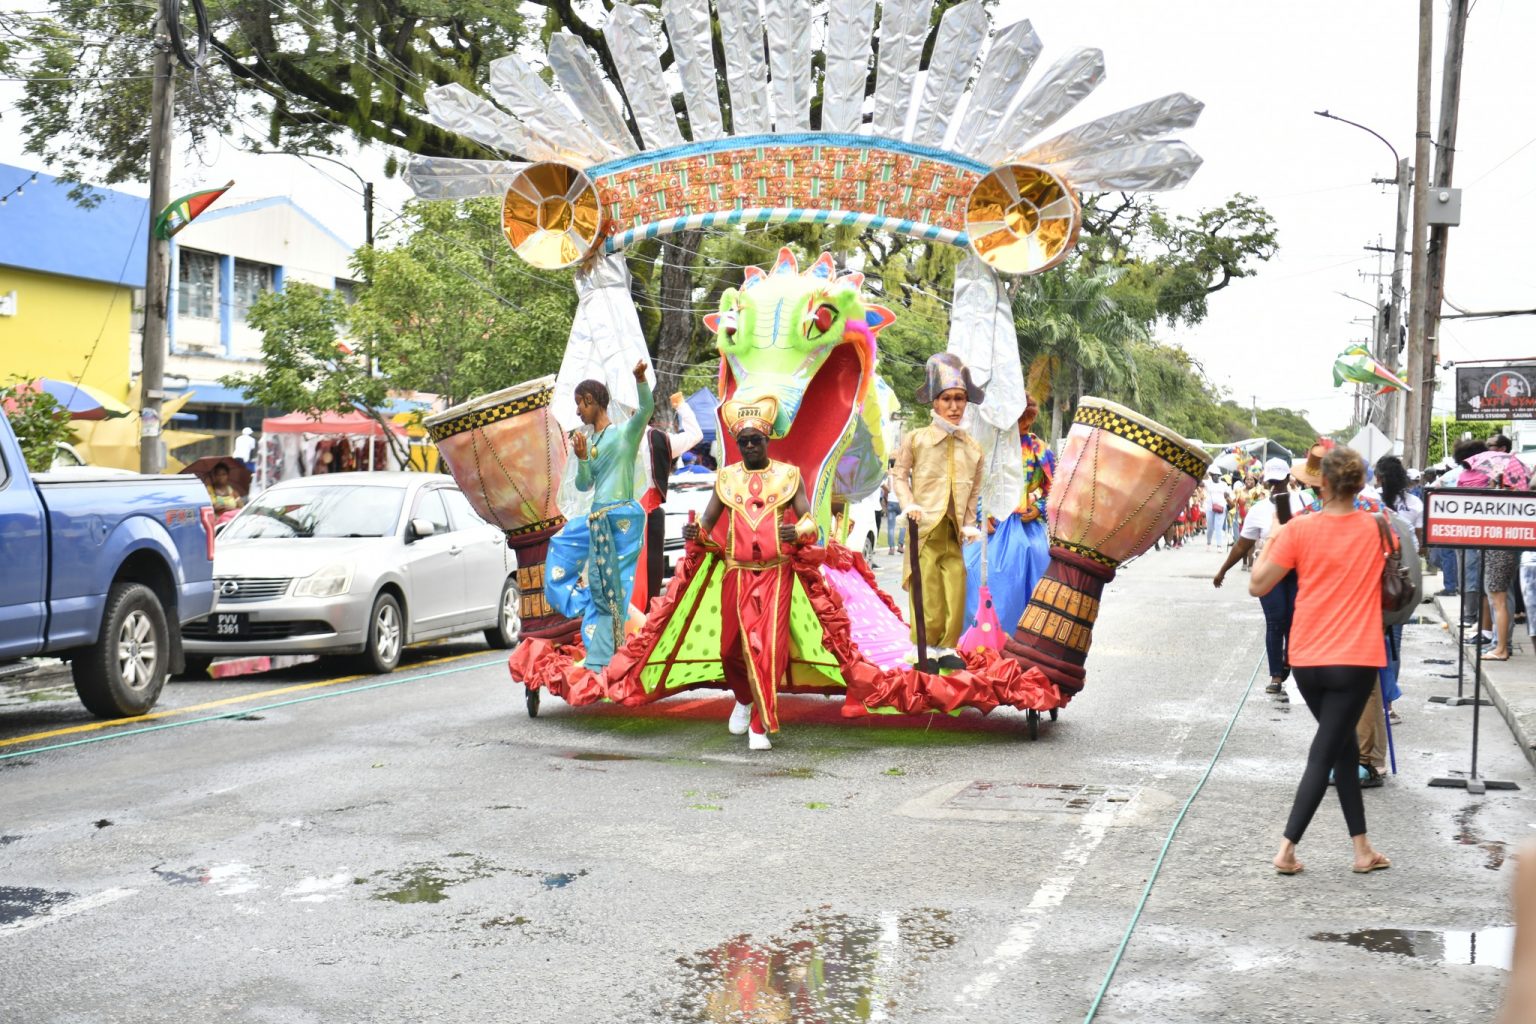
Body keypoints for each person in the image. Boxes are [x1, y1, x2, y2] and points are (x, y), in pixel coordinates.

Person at [1250, 445, 1391, 876]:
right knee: (1325, 752)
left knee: (1341, 748)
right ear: (1361, 483)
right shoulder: (1381, 529)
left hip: (1307, 658)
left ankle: (1362, 849)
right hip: (1356, 657)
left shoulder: (1298, 531)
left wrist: (1275, 534)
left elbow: (1258, 585)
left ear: (1322, 484)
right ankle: (1286, 849)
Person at [682, 398, 816, 751]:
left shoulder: (789, 476)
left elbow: (810, 520)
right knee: (730, 650)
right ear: (738, 444)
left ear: (767, 439)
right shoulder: (726, 478)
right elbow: (708, 522)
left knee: (769, 649)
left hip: (776, 573)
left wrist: (798, 532)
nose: (751, 445)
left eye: (757, 439)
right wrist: (695, 532)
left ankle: (760, 722)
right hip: (737, 573)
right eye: (745, 441)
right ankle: (743, 698)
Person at [545, 361, 652, 672]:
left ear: (590, 400)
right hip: (596, 520)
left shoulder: (624, 433)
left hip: (622, 518)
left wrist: (641, 378)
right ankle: (586, 607)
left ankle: (601, 657)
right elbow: (584, 485)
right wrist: (581, 459)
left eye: (579, 404)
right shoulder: (590, 443)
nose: (578, 412)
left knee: (611, 588)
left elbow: (646, 408)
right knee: (561, 545)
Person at [892, 353, 984, 652]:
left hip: (953, 535)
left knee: (956, 589)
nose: (954, 406)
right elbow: (900, 475)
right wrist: (908, 504)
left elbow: (973, 492)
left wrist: (970, 523)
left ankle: (946, 647)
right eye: (947, 399)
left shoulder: (973, 449)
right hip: (925, 531)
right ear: (935, 402)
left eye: (960, 399)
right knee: (927, 591)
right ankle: (925, 648)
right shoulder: (917, 440)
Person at [965, 391, 1054, 640]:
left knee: (1033, 567)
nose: (1023, 428)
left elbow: (1056, 490)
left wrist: (1039, 508)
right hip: (991, 528)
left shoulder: (1040, 450)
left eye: (1026, 422)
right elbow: (975, 487)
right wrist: (983, 514)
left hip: (1027, 530)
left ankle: (1024, 641)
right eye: (1018, 422)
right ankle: (976, 640)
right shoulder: (989, 449)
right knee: (970, 571)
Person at [1214, 457, 1304, 699]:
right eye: (1271, 482)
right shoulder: (1258, 509)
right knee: (1276, 621)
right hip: (1270, 571)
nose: (1275, 487)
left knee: (1295, 620)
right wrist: (1223, 569)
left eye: (1279, 481)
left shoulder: (1304, 502)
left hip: (1297, 571)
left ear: (1288, 479)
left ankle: (1289, 658)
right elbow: (1243, 545)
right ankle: (1276, 675)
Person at [634, 392, 704, 606]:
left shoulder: (620, 438)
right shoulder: (656, 439)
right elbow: (695, 434)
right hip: (641, 514)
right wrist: (680, 405)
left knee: (647, 575)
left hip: (639, 514)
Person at [1204, 470, 1232, 548]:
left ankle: (1219, 545)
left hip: (1221, 508)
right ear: (1212, 476)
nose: (1215, 476)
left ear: (1219, 475)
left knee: (1218, 527)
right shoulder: (1208, 483)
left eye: (1217, 475)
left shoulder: (1224, 485)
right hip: (1210, 508)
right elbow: (1200, 483)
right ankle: (1208, 542)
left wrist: (1227, 495)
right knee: (1210, 527)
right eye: (1213, 475)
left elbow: (1229, 495)